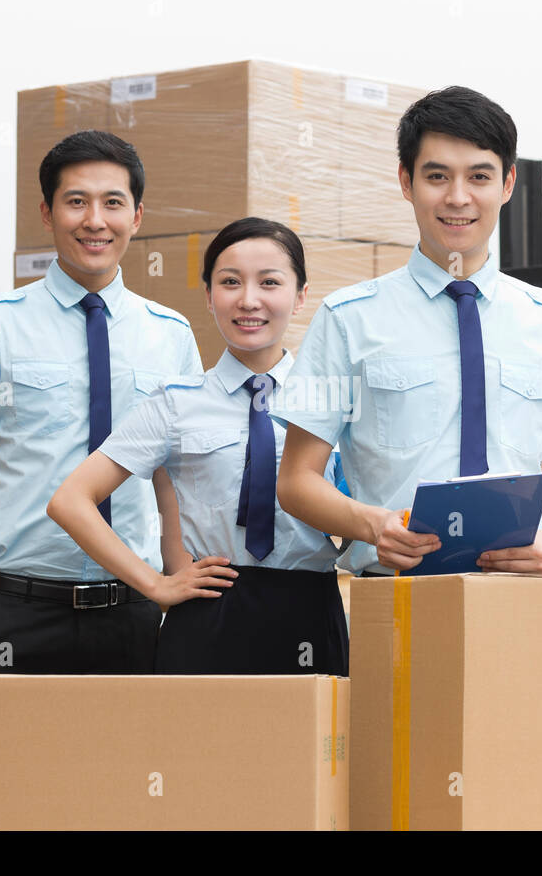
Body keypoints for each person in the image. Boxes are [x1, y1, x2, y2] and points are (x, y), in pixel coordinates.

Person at [274, 86, 542, 577]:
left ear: (507, 183)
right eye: (437, 176)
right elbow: (295, 480)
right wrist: (374, 524)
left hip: (519, 593)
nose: (458, 197)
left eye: (479, 176)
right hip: (393, 592)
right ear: (406, 181)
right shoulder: (348, 319)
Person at [0, 130, 202, 674]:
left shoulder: (170, 335)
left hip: (134, 613)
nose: (94, 220)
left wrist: (176, 583)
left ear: (137, 216)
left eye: (112, 203)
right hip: (17, 611)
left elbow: (178, 477)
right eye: (76, 201)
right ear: (48, 214)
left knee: (134, 761)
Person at [48, 217, 348, 675]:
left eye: (270, 282)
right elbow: (70, 500)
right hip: (211, 614)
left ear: (301, 294)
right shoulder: (175, 403)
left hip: (310, 610)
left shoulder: (332, 400)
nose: (249, 300)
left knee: (312, 747)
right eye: (230, 283)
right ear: (208, 296)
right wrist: (156, 584)